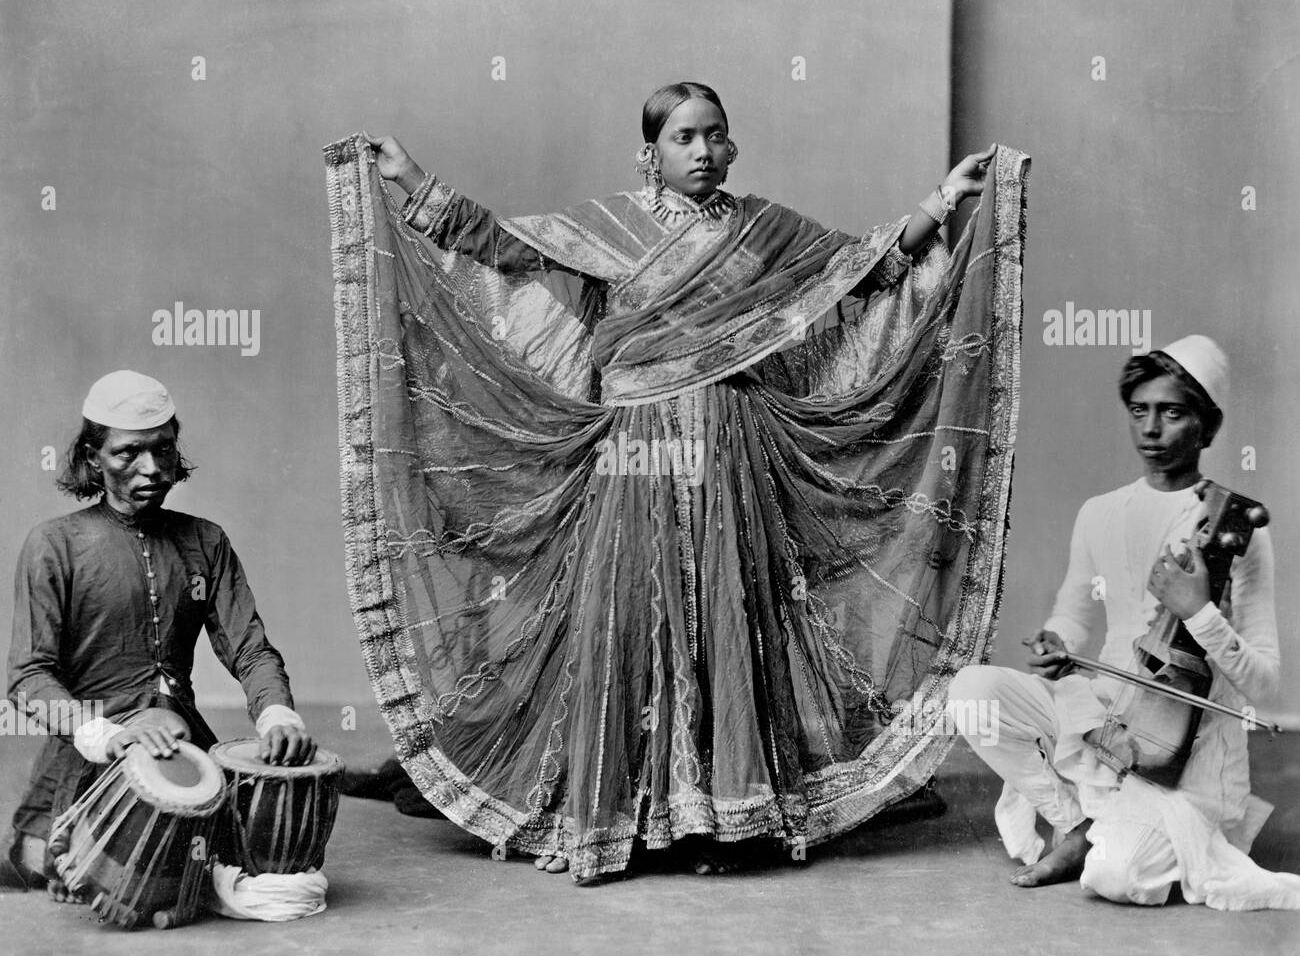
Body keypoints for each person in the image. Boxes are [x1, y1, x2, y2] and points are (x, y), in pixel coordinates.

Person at [324, 82, 1029, 883]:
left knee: (729, 609)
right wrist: (411, 178)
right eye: (685, 137)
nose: (702, 151)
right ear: (650, 152)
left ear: (732, 147)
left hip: (736, 448)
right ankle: (624, 815)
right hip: (637, 454)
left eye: (715, 136)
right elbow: (498, 245)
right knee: (630, 611)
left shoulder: (760, 232)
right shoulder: (611, 230)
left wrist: (946, 198)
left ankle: (726, 818)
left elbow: (859, 269)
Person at [949, 336, 1300, 910]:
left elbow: (1263, 683)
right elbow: (1073, 613)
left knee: (1118, 878)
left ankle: (1105, 834)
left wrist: (1198, 612)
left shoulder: (1239, 526)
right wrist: (1055, 640)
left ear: (1208, 428)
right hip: (1104, 710)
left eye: (1173, 412)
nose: (1152, 429)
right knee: (970, 692)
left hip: (1180, 741)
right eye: (1140, 411)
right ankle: (1078, 825)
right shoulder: (1101, 513)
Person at [0, 370, 316, 901]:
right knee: (59, 870)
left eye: (163, 449)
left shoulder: (205, 540)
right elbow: (28, 677)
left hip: (182, 740)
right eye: (128, 453)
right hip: (90, 753)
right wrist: (105, 736)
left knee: (235, 866)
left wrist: (278, 714)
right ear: (92, 455)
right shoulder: (53, 545)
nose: (151, 468)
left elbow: (250, 647)